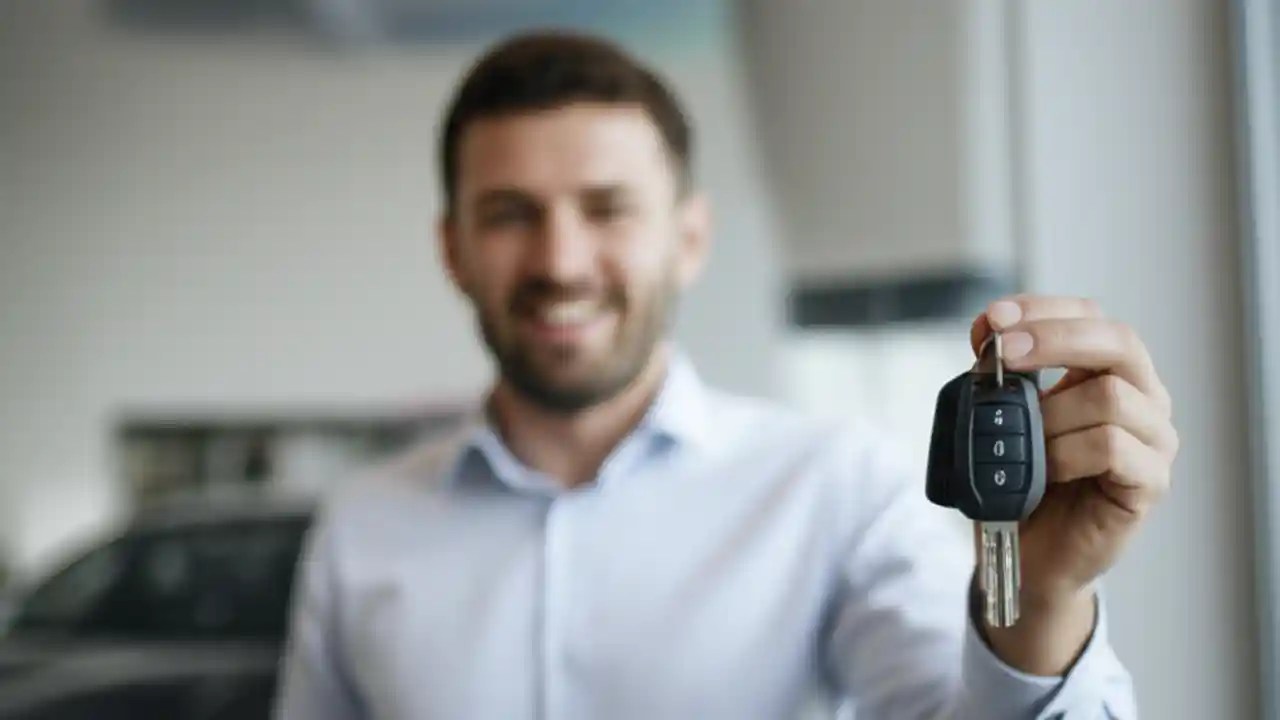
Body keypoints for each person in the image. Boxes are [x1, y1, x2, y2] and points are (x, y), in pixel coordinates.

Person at [275, 31, 1177, 720]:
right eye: (511, 214)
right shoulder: (360, 530)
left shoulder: (835, 488)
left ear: (690, 237)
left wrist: (1042, 603)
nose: (561, 261)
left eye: (607, 209)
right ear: (453, 249)